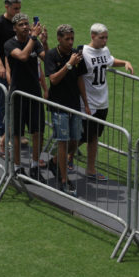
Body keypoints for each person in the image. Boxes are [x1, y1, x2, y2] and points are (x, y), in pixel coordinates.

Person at [78, 22, 133, 182]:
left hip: (103, 102)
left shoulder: (104, 51)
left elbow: (109, 60)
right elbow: (79, 79)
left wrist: (124, 63)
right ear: (92, 36)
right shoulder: (83, 53)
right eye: (102, 38)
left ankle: (90, 169)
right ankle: (60, 156)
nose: (105, 41)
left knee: (94, 136)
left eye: (106, 37)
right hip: (88, 103)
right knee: (82, 136)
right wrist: (86, 103)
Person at [43, 24, 90, 195]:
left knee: (76, 139)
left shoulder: (77, 56)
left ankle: (55, 161)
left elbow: (80, 80)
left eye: (72, 38)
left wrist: (85, 103)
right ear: (59, 39)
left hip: (74, 105)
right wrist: (69, 65)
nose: (71, 42)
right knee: (62, 141)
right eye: (67, 39)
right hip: (58, 106)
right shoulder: (51, 55)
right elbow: (54, 79)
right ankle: (64, 180)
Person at [4, 13, 47, 178]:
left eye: (26, 24)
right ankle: (16, 167)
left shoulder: (34, 42)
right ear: (14, 28)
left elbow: (47, 59)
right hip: (18, 94)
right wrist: (34, 38)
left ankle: (35, 166)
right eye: (21, 24)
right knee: (17, 133)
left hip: (34, 94)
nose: (25, 27)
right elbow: (22, 56)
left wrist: (44, 42)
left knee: (38, 132)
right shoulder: (9, 44)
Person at [0, 0, 22, 158]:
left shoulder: (18, 23)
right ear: (6, 6)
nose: (17, 11)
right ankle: (3, 136)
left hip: (16, 69)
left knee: (16, 102)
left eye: (19, 8)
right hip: (2, 70)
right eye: (15, 8)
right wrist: (0, 65)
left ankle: (15, 133)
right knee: (4, 103)